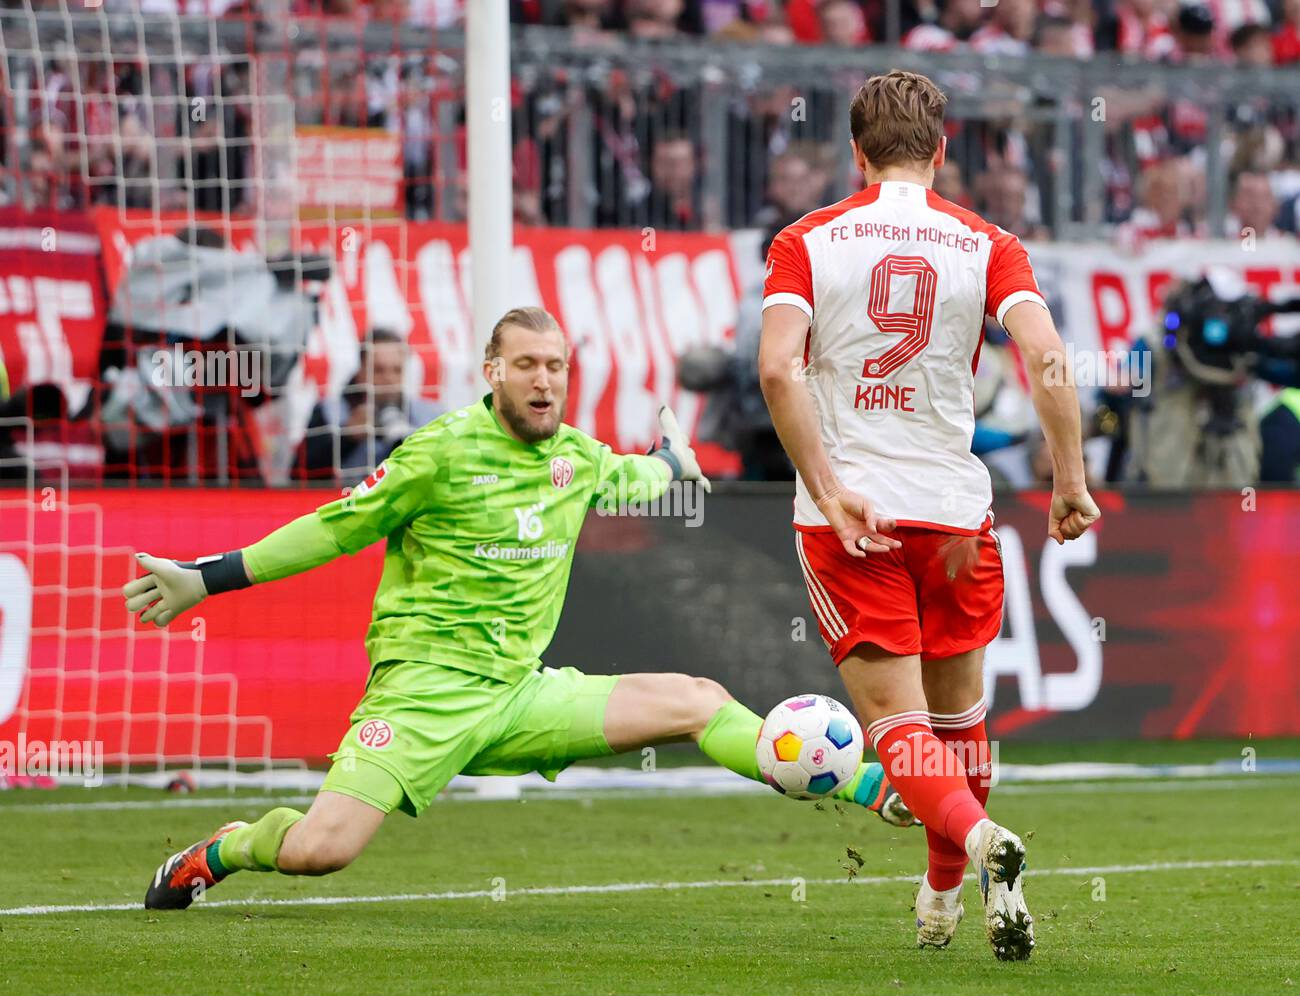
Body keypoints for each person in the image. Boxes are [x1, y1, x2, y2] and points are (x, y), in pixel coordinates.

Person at [126, 306, 915, 911]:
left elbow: (639, 480)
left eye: (557, 367)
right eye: (528, 365)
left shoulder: (574, 455)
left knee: (698, 700)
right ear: (493, 370)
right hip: (424, 693)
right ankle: (226, 849)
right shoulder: (438, 452)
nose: (545, 381)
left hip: (522, 692)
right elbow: (332, 530)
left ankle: (868, 785)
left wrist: (675, 460)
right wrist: (207, 578)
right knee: (319, 851)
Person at [758, 70, 1099, 961]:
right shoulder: (986, 242)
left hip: (854, 517)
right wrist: (1070, 480)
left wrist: (829, 488)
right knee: (960, 722)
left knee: (899, 729)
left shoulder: (806, 239)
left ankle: (980, 847)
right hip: (953, 513)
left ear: (857, 153)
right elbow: (1049, 356)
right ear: (941, 154)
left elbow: (777, 370)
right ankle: (947, 895)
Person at [296, 329, 441, 482]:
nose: (389, 378)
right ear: (361, 372)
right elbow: (298, 475)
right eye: (378, 370)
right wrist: (346, 438)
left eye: (397, 370)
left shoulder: (430, 416)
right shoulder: (330, 412)